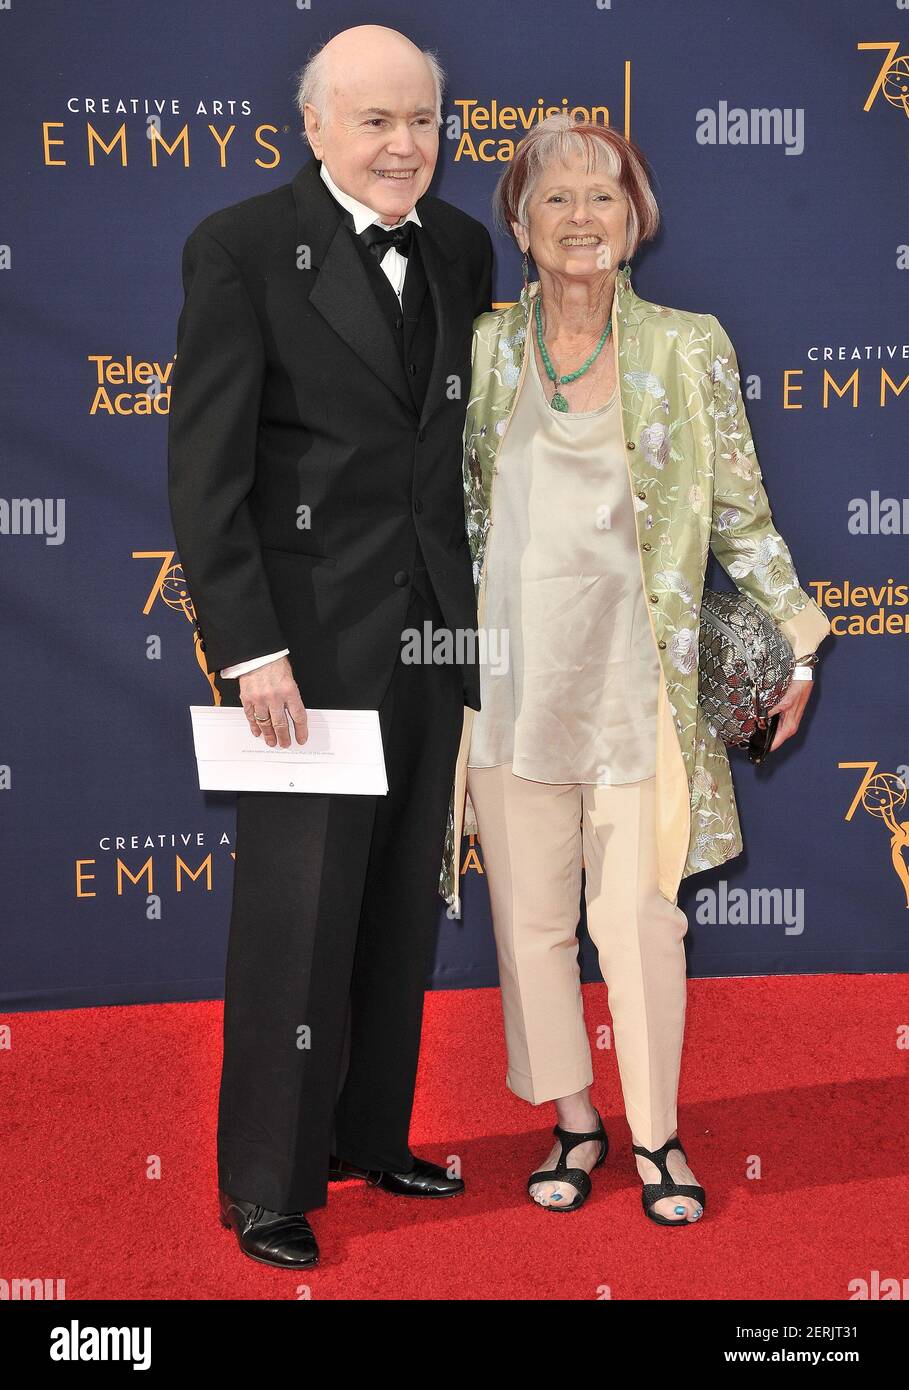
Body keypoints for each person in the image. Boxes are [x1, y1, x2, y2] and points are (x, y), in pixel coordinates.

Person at [439, 113, 830, 1224]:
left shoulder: (687, 344)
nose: (579, 219)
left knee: (641, 921)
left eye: (601, 197)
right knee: (529, 926)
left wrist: (795, 641)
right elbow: (453, 515)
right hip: (512, 688)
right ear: (519, 221)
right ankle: (574, 1119)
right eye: (553, 198)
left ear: (637, 219)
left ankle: (657, 1135)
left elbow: (744, 515)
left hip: (640, 689)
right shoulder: (484, 348)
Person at [167, 25, 493, 1268]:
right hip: (300, 656)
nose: (405, 145)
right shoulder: (242, 250)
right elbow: (208, 473)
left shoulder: (463, 248)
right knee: (297, 920)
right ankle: (267, 1180)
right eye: (375, 122)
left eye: (422, 121)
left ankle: (372, 1134)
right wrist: (250, 650)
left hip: (429, 645)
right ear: (313, 129)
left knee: (401, 907)